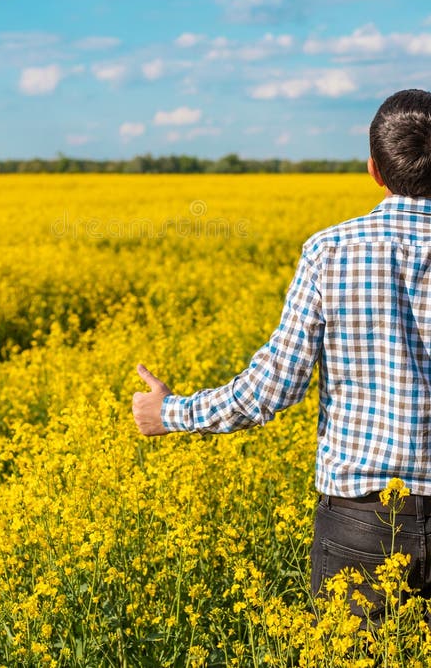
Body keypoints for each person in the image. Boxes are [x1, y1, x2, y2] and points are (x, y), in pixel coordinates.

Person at [132, 88, 431, 622]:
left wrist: (170, 412)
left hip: (361, 519)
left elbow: (271, 388)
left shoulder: (331, 252)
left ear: (374, 170)